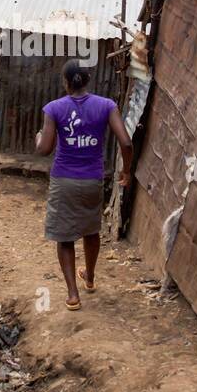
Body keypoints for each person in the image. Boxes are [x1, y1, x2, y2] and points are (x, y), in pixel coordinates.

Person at [34, 60, 133, 312]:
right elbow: (126, 142)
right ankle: (89, 277)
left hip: (63, 180)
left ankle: (72, 295)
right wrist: (126, 170)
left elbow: (44, 149)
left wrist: (38, 137)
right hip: (92, 179)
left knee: (64, 236)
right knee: (91, 230)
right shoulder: (106, 106)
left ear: (65, 83)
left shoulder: (54, 108)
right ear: (87, 81)